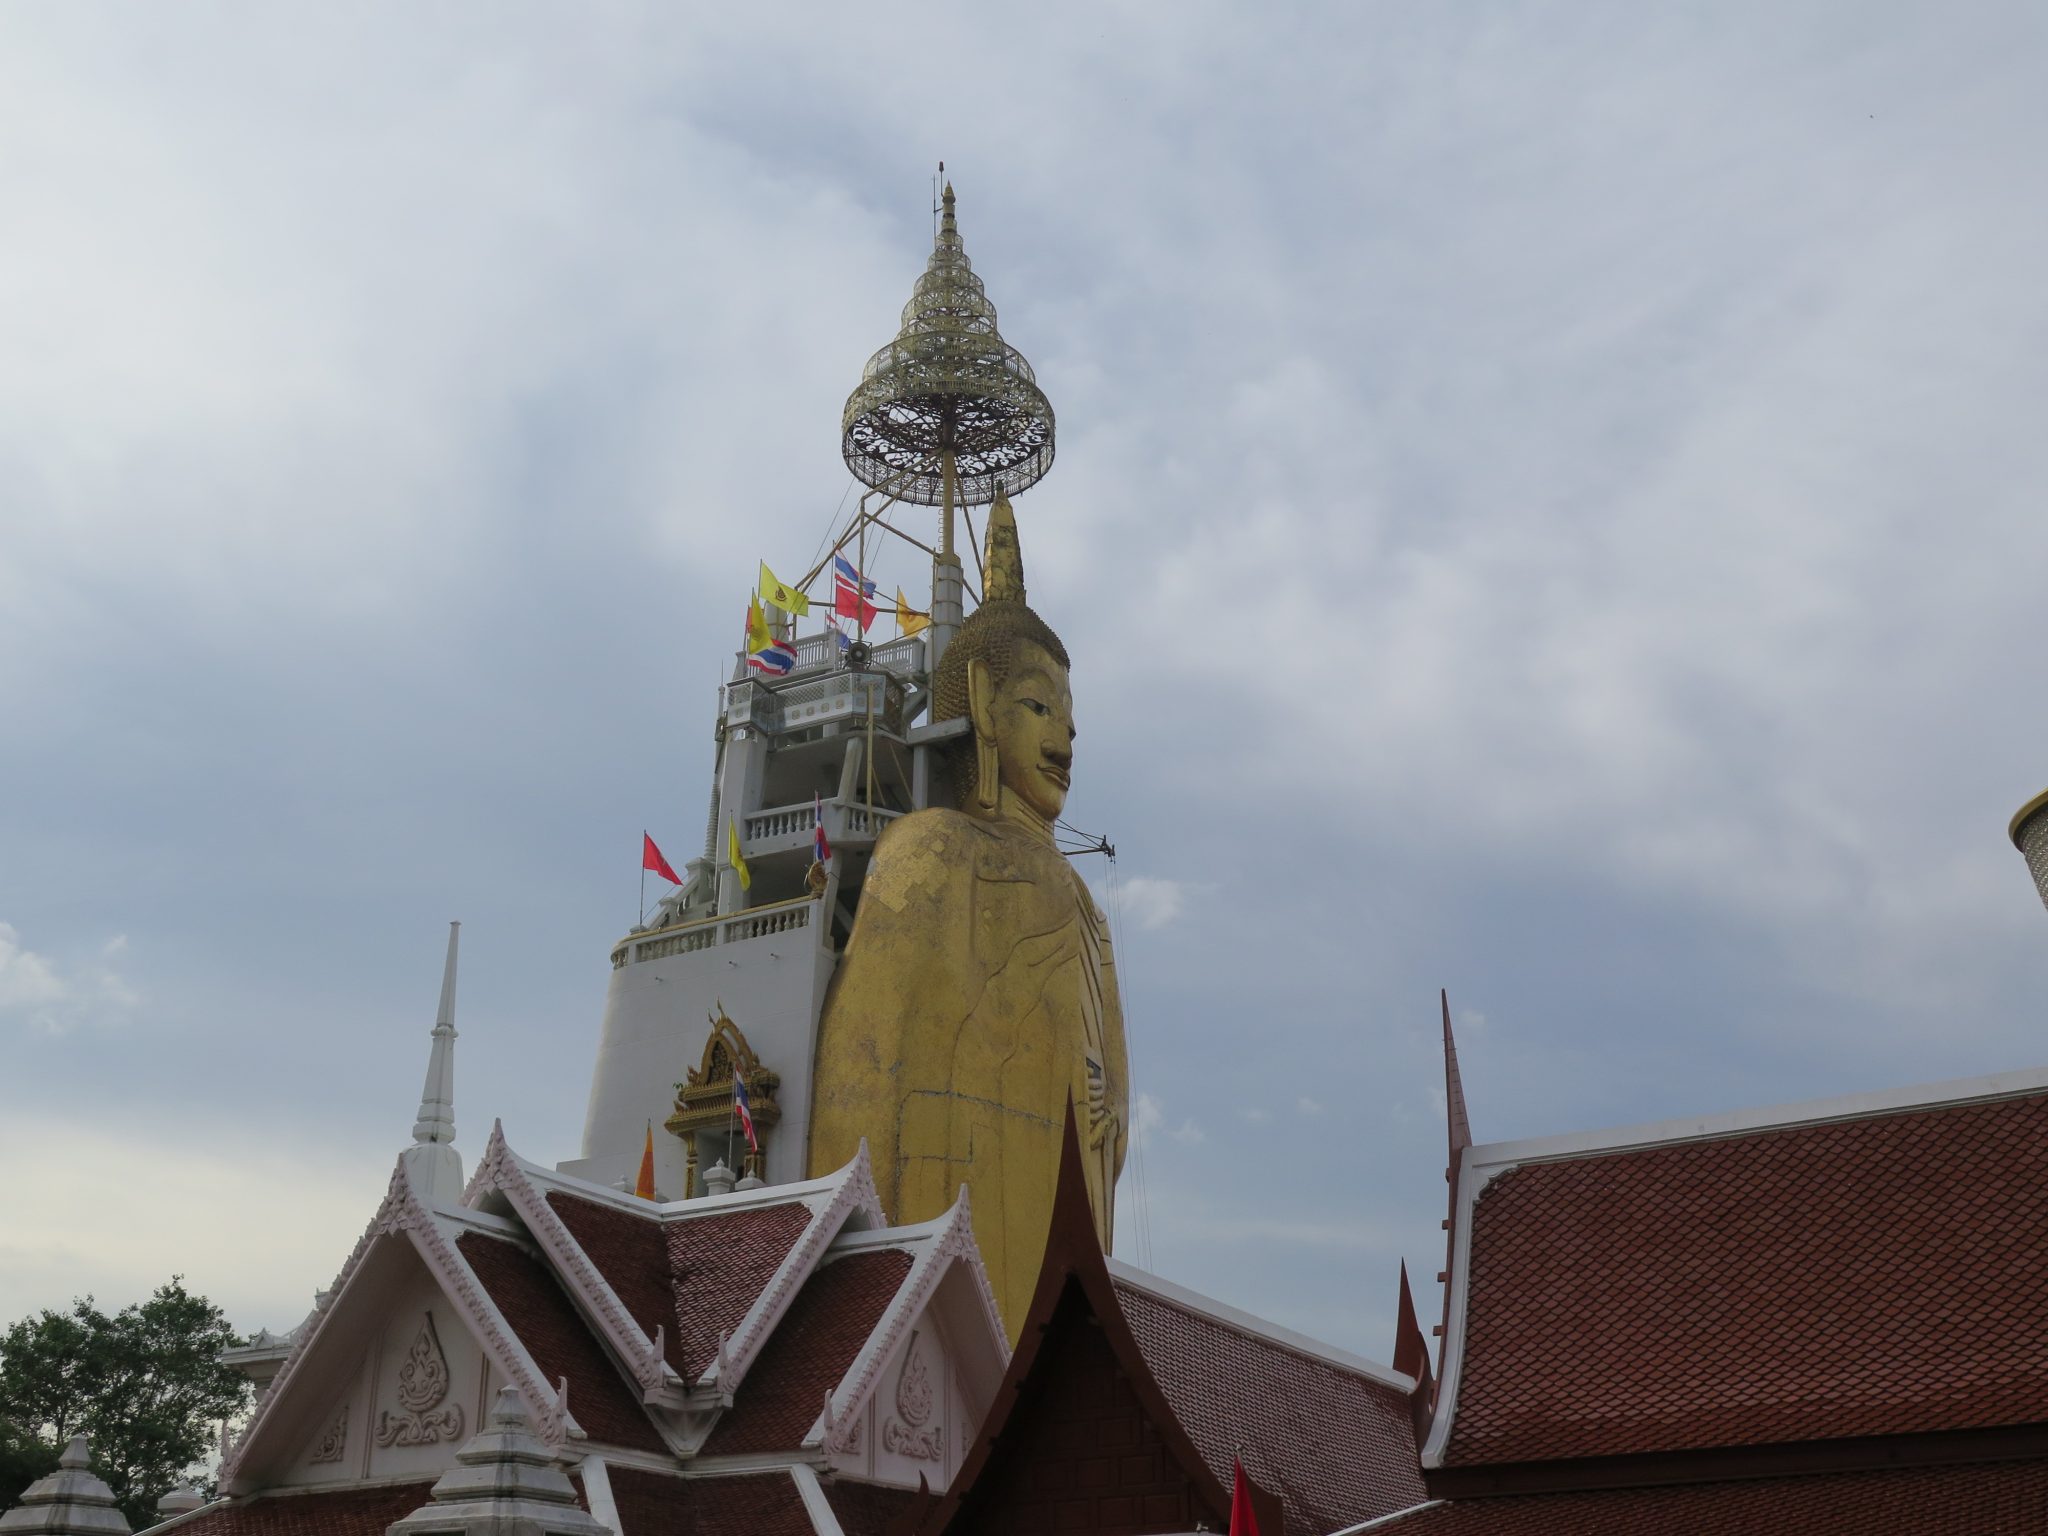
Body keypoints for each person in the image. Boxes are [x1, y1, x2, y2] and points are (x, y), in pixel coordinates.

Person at [807, 491, 1128, 1337]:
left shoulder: (1088, 911)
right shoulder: (932, 853)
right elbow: (861, 1082)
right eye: (1037, 707)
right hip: (949, 1207)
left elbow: (1114, 1113)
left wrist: (1104, 1110)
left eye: (1069, 715)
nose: (1064, 735)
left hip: (1054, 1217)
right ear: (982, 704)